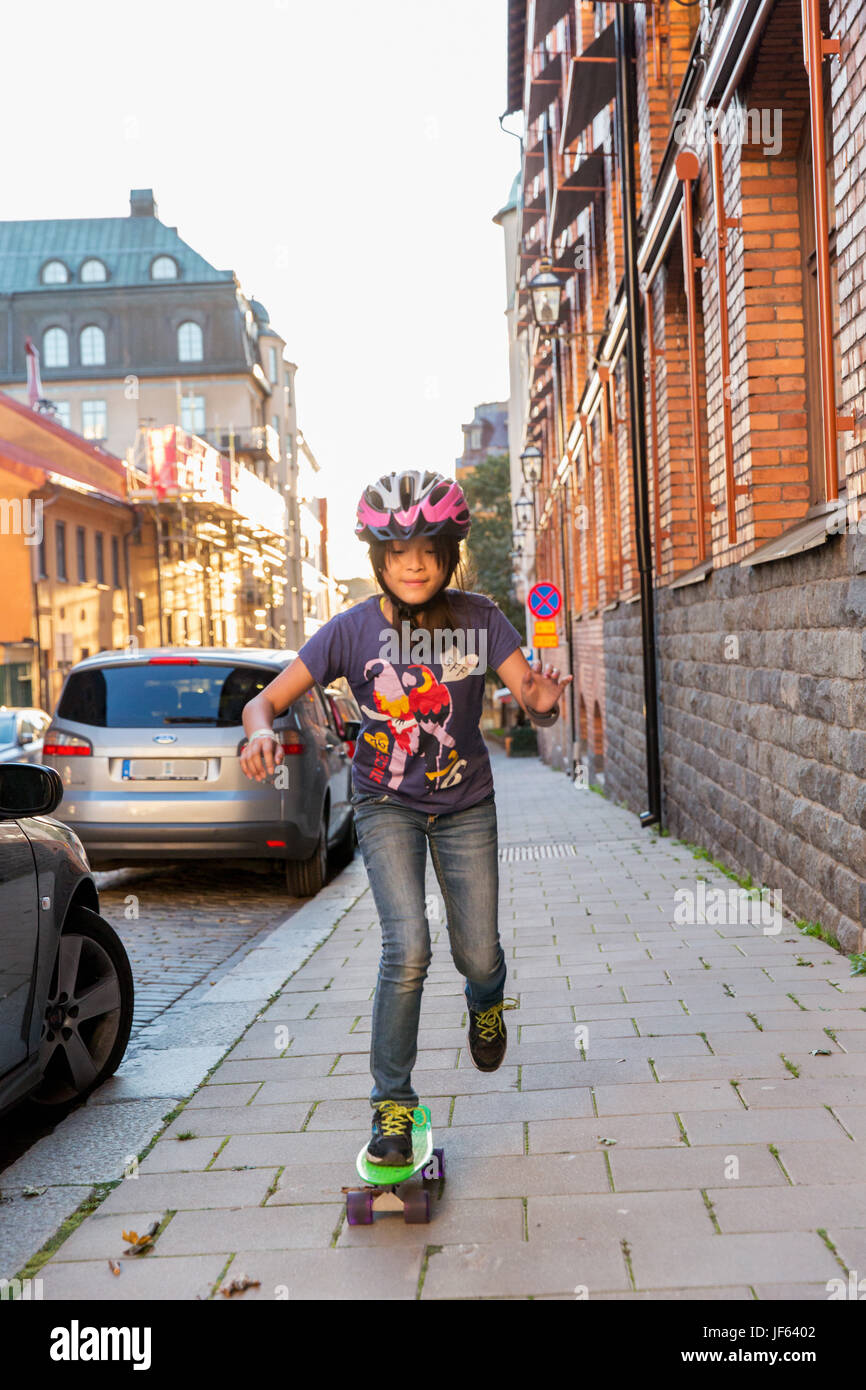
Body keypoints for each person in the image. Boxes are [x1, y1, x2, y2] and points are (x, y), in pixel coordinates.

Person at [240, 469, 572, 1166]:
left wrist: (544, 701)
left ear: (448, 553)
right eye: (397, 554)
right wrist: (261, 730)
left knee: (476, 951)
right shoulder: (349, 631)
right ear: (378, 562)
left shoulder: (482, 619)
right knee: (408, 946)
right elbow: (264, 701)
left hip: (465, 804)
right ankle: (392, 1103)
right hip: (384, 802)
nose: (413, 565)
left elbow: (533, 697)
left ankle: (487, 1000)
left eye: (426, 550)